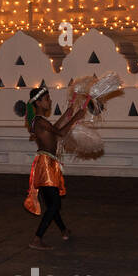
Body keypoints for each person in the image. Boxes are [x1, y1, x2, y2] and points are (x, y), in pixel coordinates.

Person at [23, 85, 88, 251]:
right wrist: (75, 118)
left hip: (45, 162)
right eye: (46, 99)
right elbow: (59, 133)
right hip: (46, 164)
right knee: (54, 204)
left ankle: (64, 230)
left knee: (52, 202)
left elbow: (53, 131)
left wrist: (66, 115)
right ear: (37, 102)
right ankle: (37, 238)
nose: (49, 101)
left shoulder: (38, 121)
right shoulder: (40, 121)